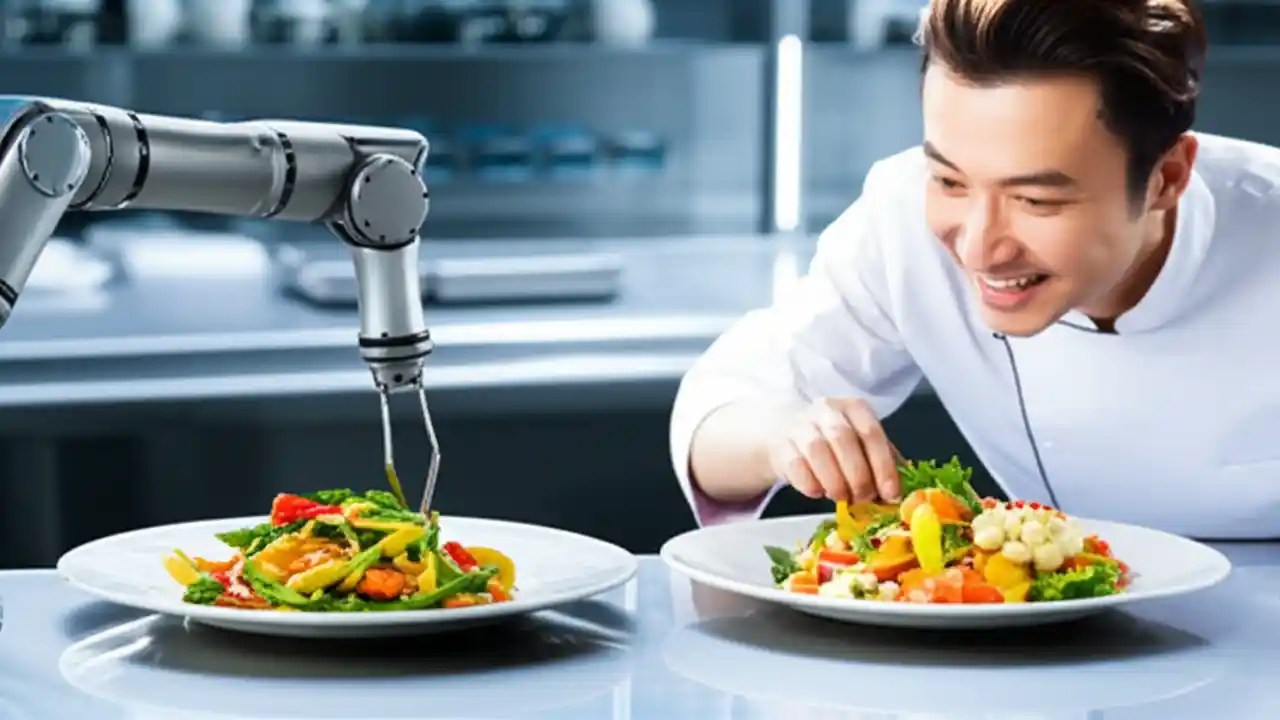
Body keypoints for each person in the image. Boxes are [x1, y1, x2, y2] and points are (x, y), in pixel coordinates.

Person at [670, 0, 1280, 539]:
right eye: (950, 180)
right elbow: (721, 413)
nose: (981, 247)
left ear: (1166, 178)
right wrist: (784, 436)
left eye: (1036, 200)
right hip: (1059, 641)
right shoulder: (901, 219)